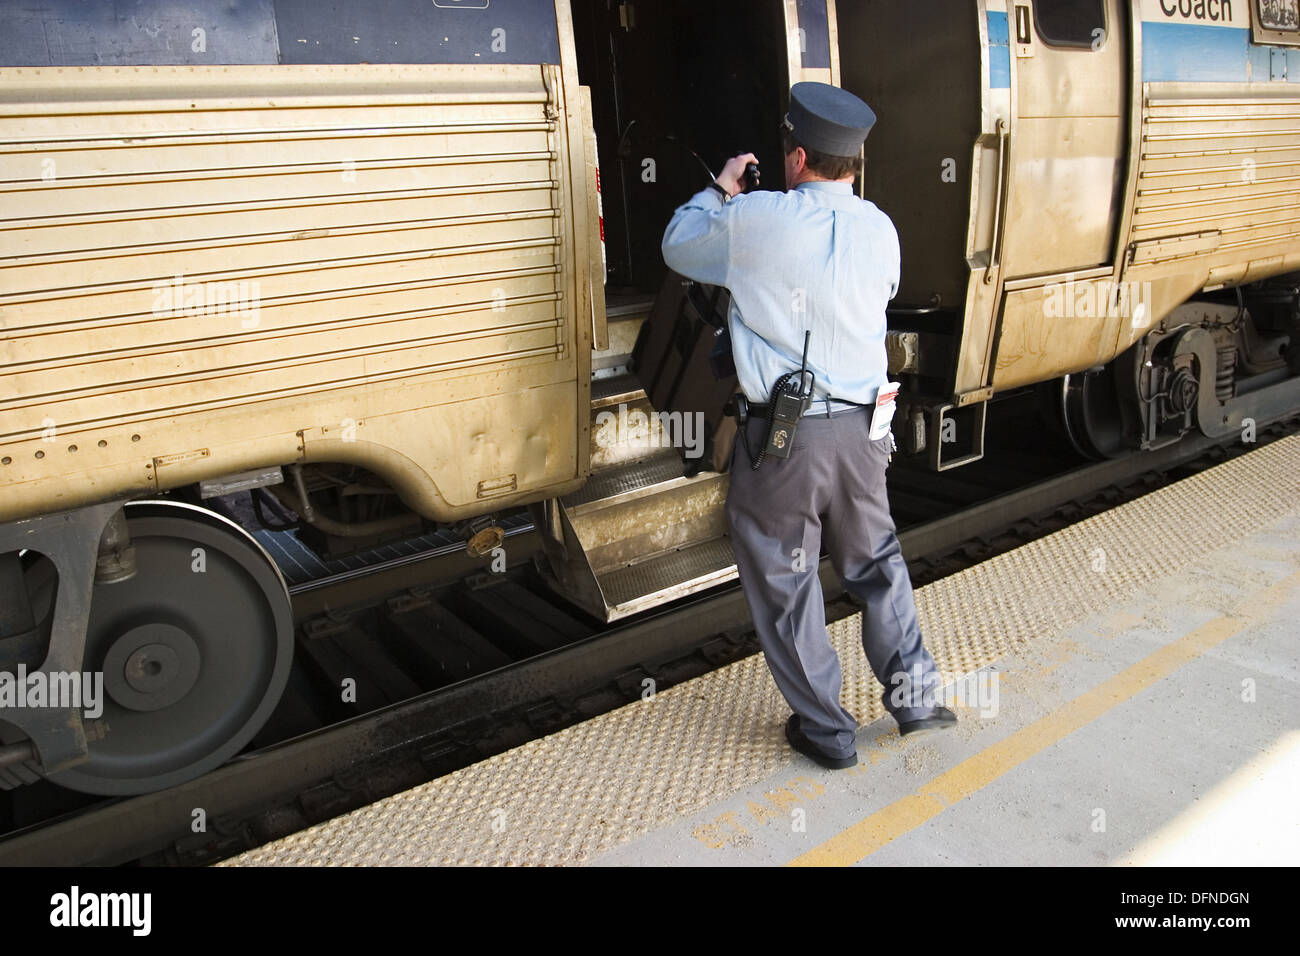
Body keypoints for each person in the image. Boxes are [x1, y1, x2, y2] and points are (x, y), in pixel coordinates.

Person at [660, 82, 955, 770]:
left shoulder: (757, 218)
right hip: (863, 435)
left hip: (785, 441)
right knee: (877, 563)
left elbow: (679, 245)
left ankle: (827, 731)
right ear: (853, 162)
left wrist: (723, 191)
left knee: (789, 577)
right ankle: (917, 701)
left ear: (795, 156)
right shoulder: (880, 228)